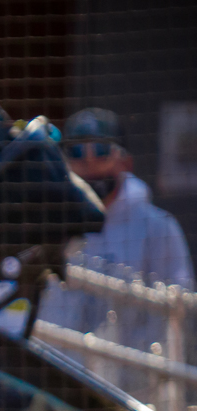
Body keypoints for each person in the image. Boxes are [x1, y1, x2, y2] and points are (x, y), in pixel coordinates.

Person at [40, 108, 194, 360]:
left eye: (101, 151)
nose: (89, 162)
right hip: (62, 380)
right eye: (76, 152)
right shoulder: (52, 226)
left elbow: (179, 314)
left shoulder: (158, 227)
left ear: (125, 161)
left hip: (135, 385)